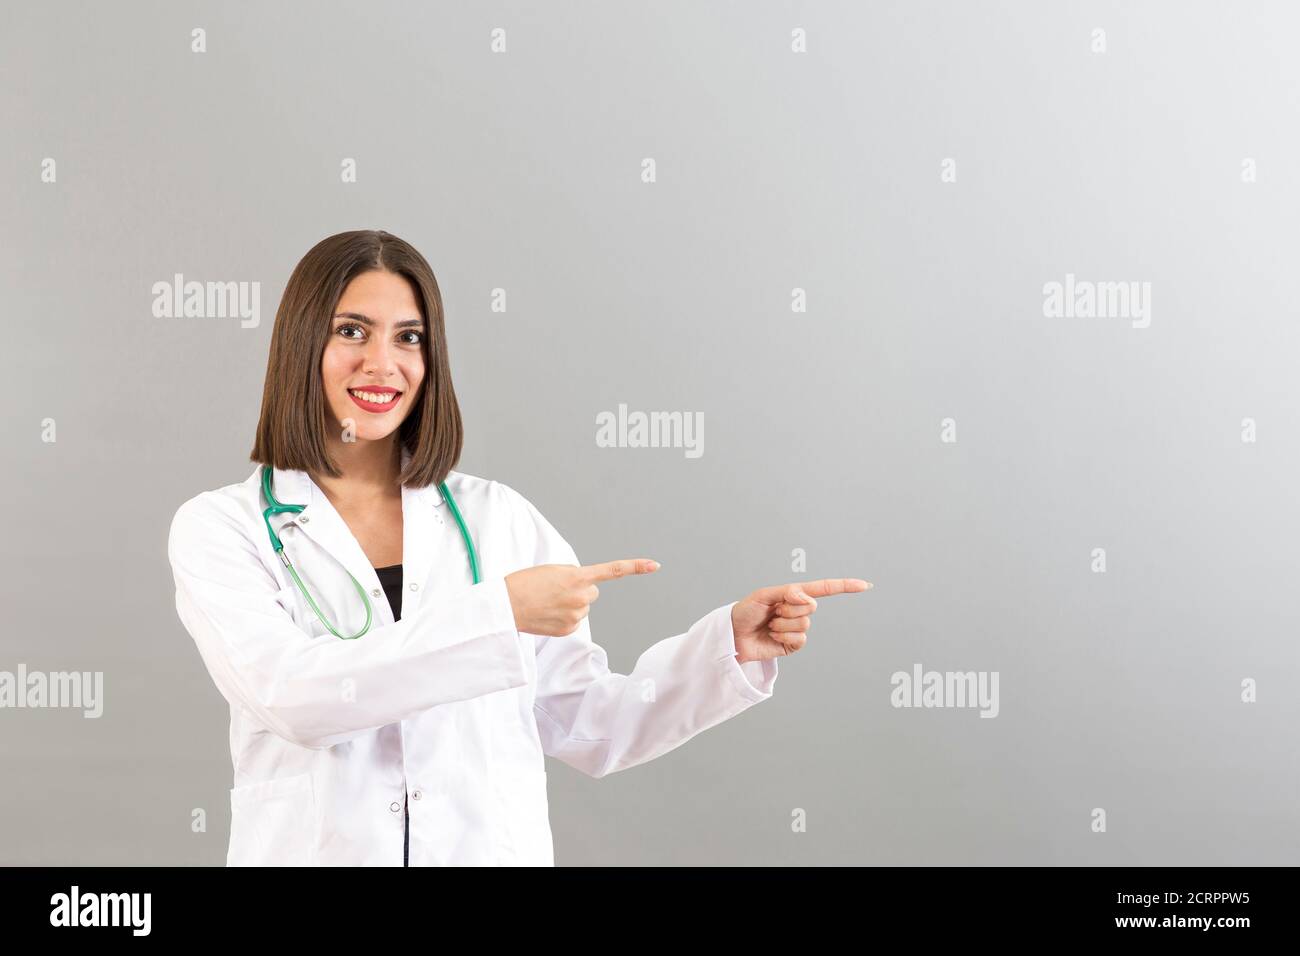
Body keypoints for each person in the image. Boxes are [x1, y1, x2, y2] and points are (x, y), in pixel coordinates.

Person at [166, 228, 871, 866]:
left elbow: (586, 724)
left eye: (409, 338)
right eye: (353, 330)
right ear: (300, 343)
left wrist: (726, 649)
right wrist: (497, 613)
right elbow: (294, 697)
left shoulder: (498, 519)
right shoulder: (223, 529)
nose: (383, 363)